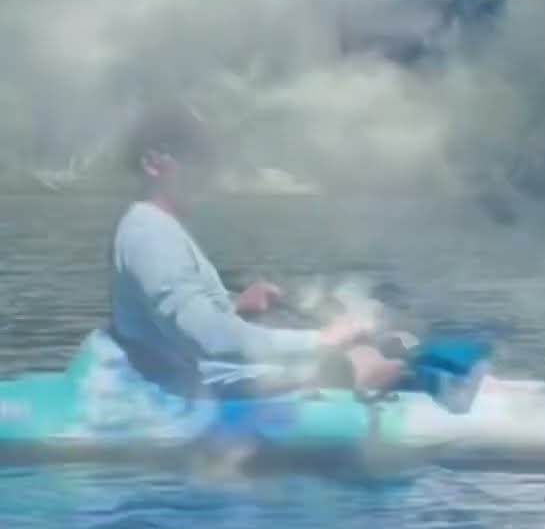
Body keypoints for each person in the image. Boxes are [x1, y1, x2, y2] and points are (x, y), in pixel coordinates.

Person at [109, 104, 405, 398]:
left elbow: (182, 325)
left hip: (182, 378)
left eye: (211, 157)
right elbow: (208, 338)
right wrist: (322, 341)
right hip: (170, 396)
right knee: (359, 363)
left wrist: (236, 307)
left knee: (375, 351)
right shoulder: (150, 234)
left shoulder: (157, 228)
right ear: (152, 163)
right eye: (195, 155)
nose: (209, 170)